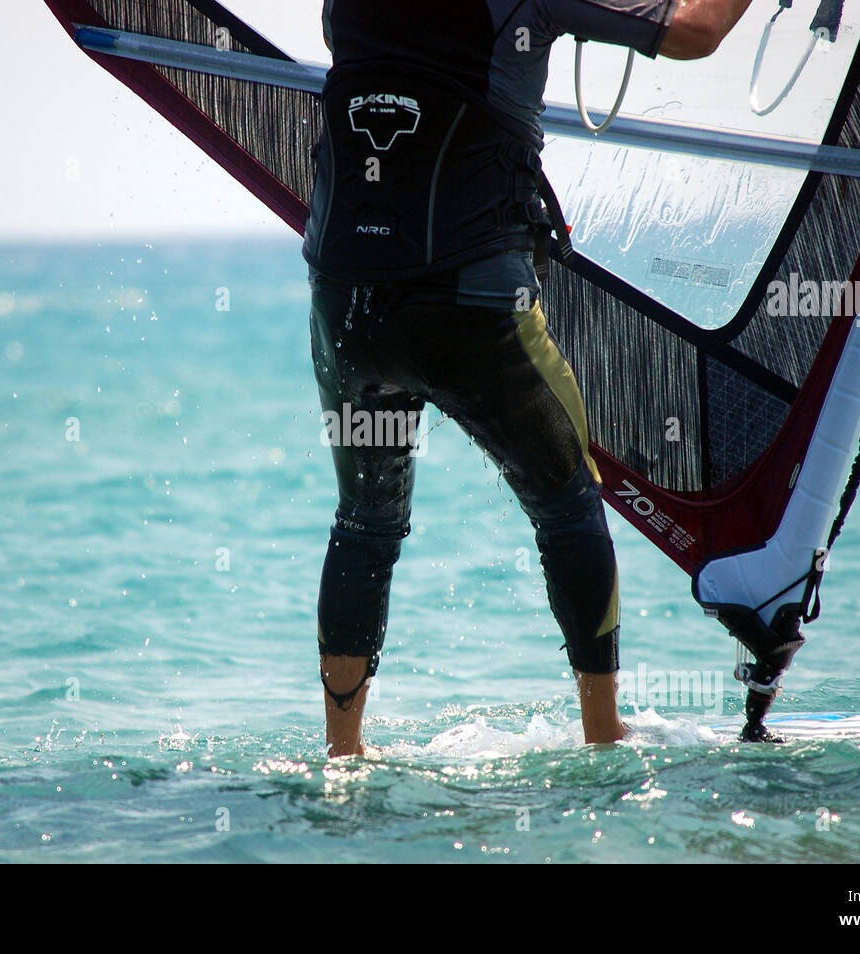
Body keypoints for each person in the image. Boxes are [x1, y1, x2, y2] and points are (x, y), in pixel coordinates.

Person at [303, 0, 757, 757]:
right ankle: (603, 732)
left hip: (348, 308)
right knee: (570, 502)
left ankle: (343, 756)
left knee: (364, 522)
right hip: (472, 309)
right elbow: (695, 30)